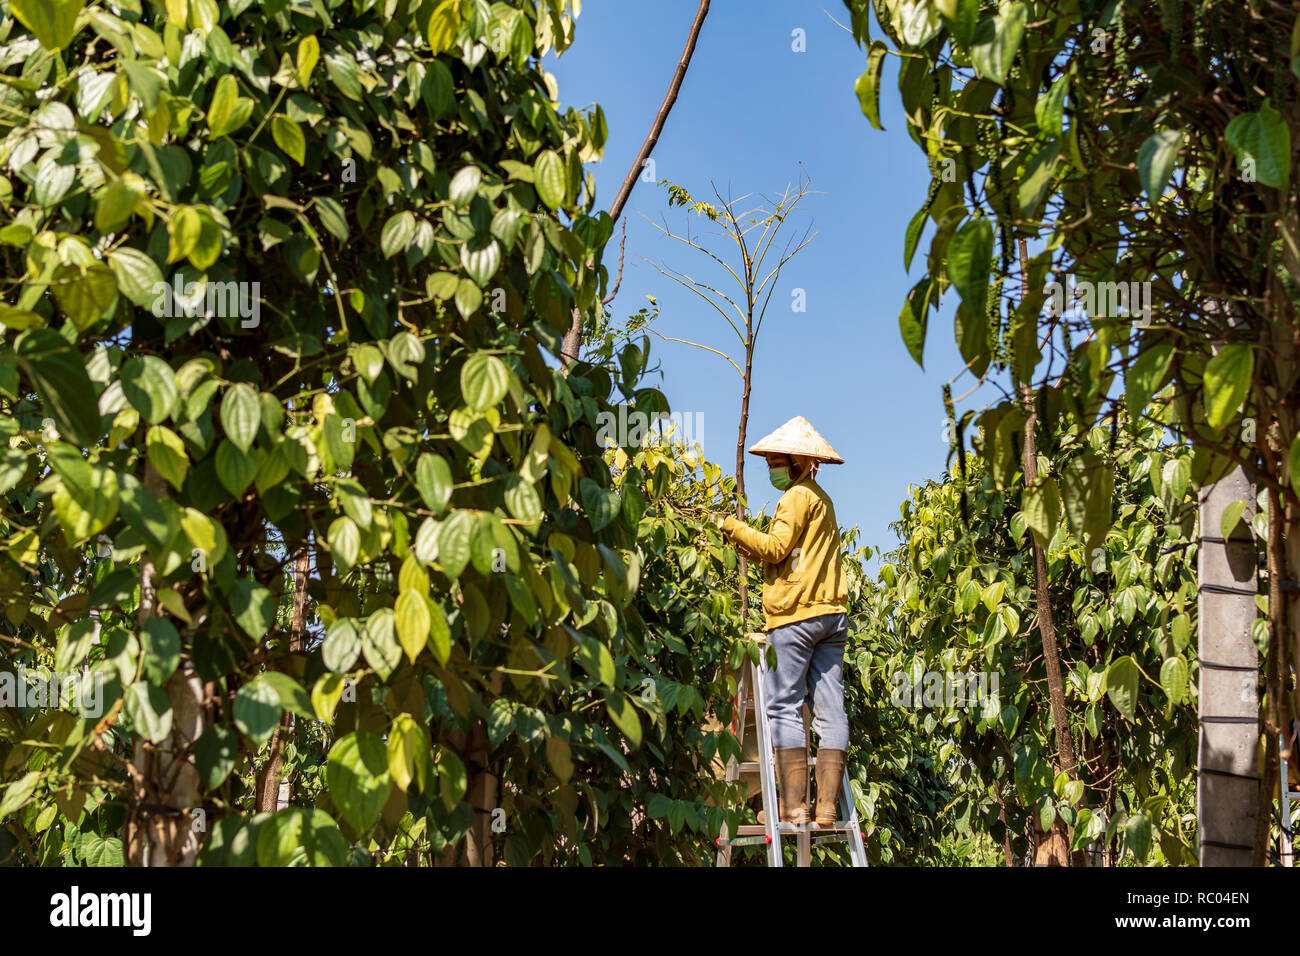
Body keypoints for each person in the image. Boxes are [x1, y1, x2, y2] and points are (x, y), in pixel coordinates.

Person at [714, 416, 849, 827]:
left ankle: (793, 806)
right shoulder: (821, 498)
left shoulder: (794, 498)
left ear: (796, 461)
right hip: (832, 616)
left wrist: (731, 527)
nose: (772, 468)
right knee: (830, 709)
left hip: (796, 616)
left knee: (784, 706)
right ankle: (826, 807)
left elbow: (775, 548)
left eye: (776, 461)